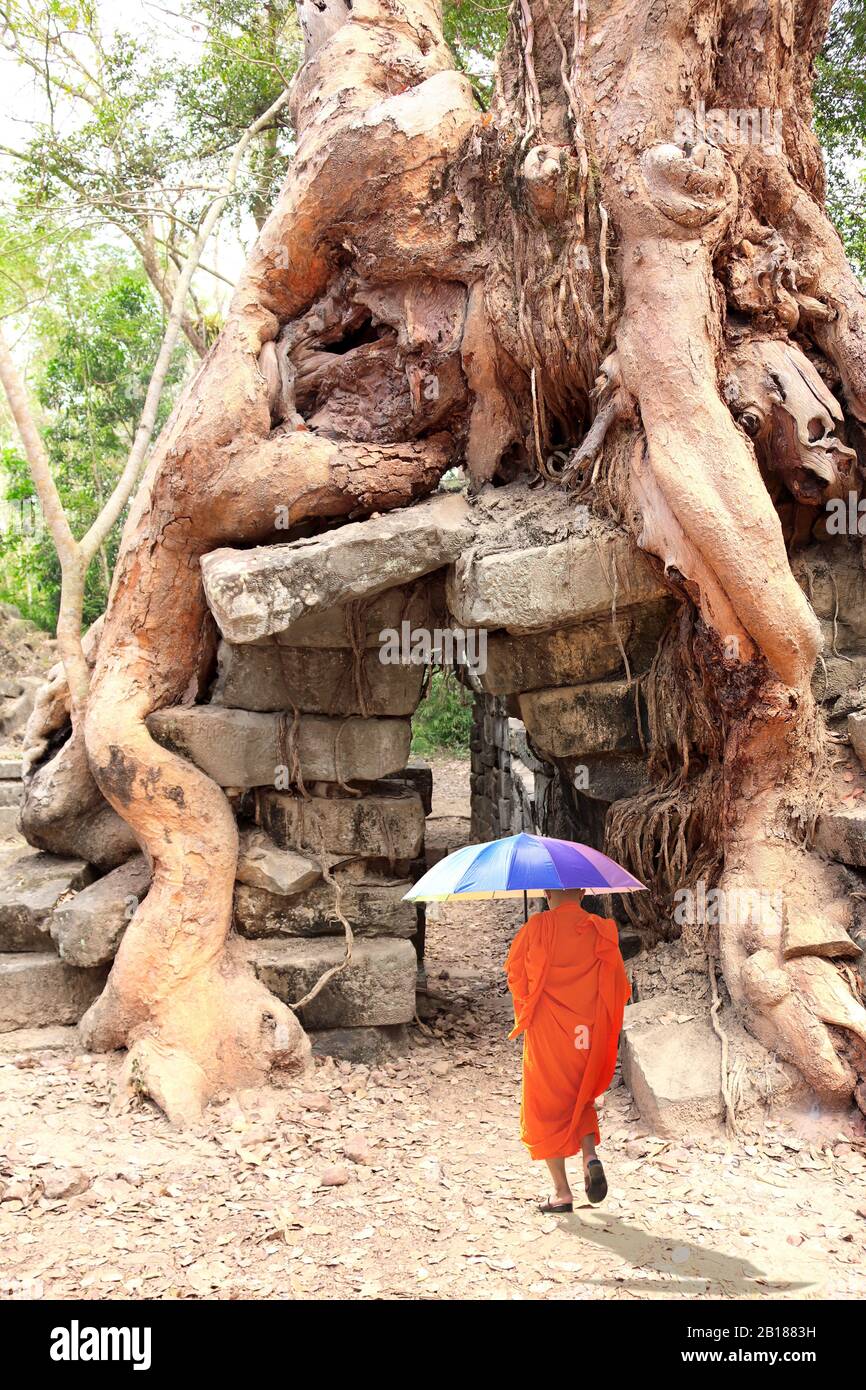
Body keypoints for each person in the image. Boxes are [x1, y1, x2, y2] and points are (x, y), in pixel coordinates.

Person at [505, 887, 630, 1212]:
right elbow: (618, 984)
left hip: (549, 1036)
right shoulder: (597, 929)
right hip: (584, 1035)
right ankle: (590, 1156)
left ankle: (562, 1192)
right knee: (581, 1094)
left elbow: (516, 976)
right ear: (584, 892)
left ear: (547, 893)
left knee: (546, 1106)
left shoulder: (537, 927)